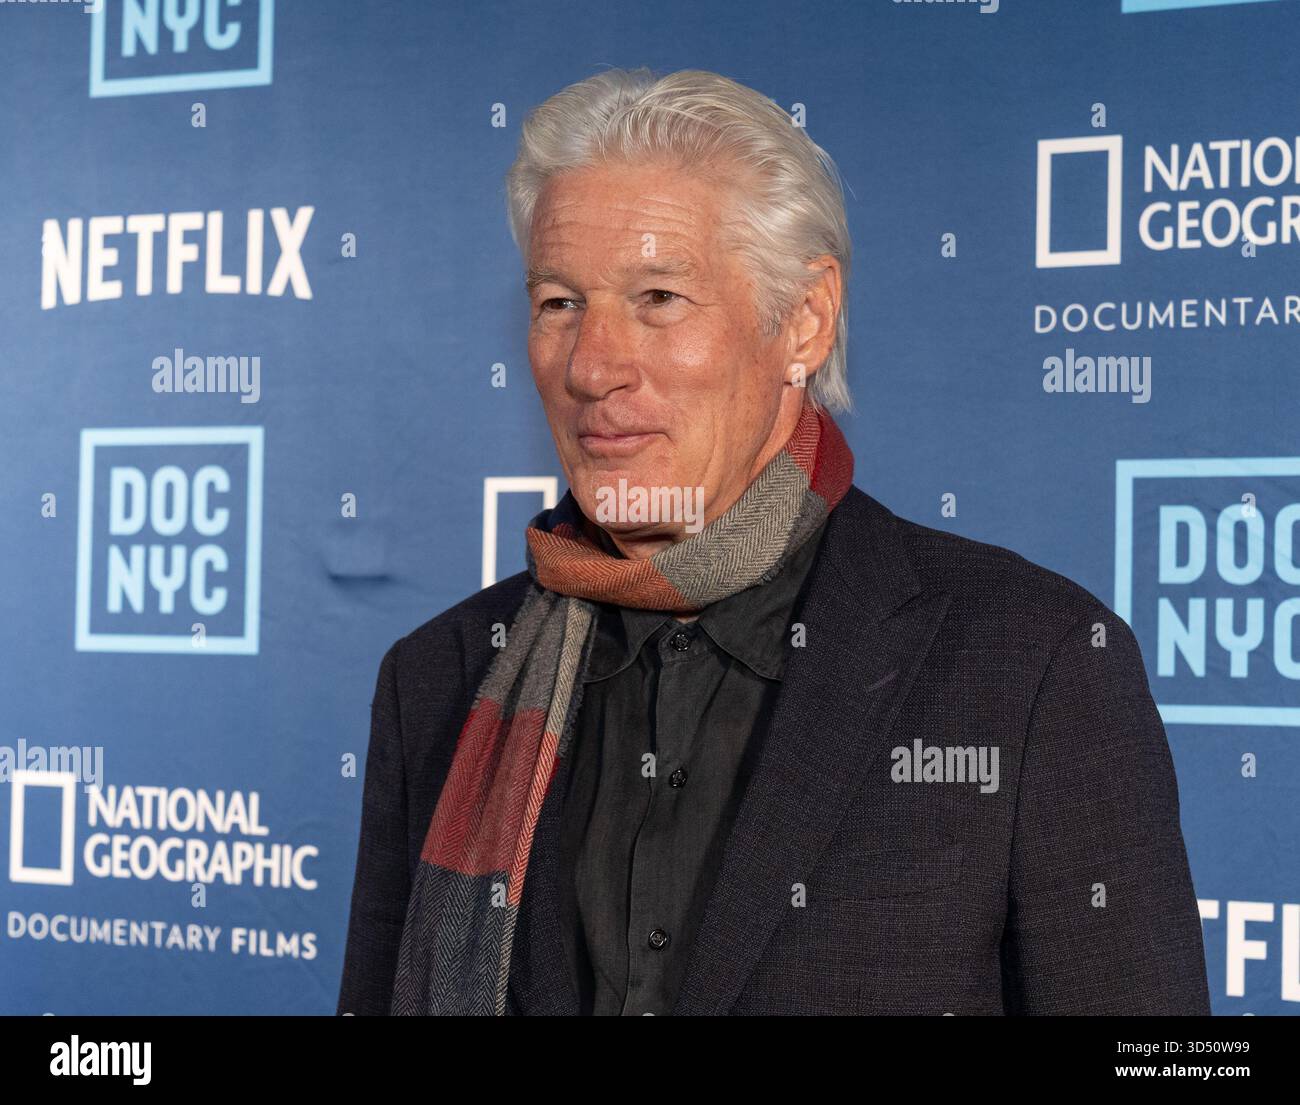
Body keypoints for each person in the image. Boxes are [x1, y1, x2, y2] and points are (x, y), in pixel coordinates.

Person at [338, 67, 1210, 1016]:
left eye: (659, 296)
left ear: (804, 319)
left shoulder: (1034, 667)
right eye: (559, 303)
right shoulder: (438, 680)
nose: (592, 365)